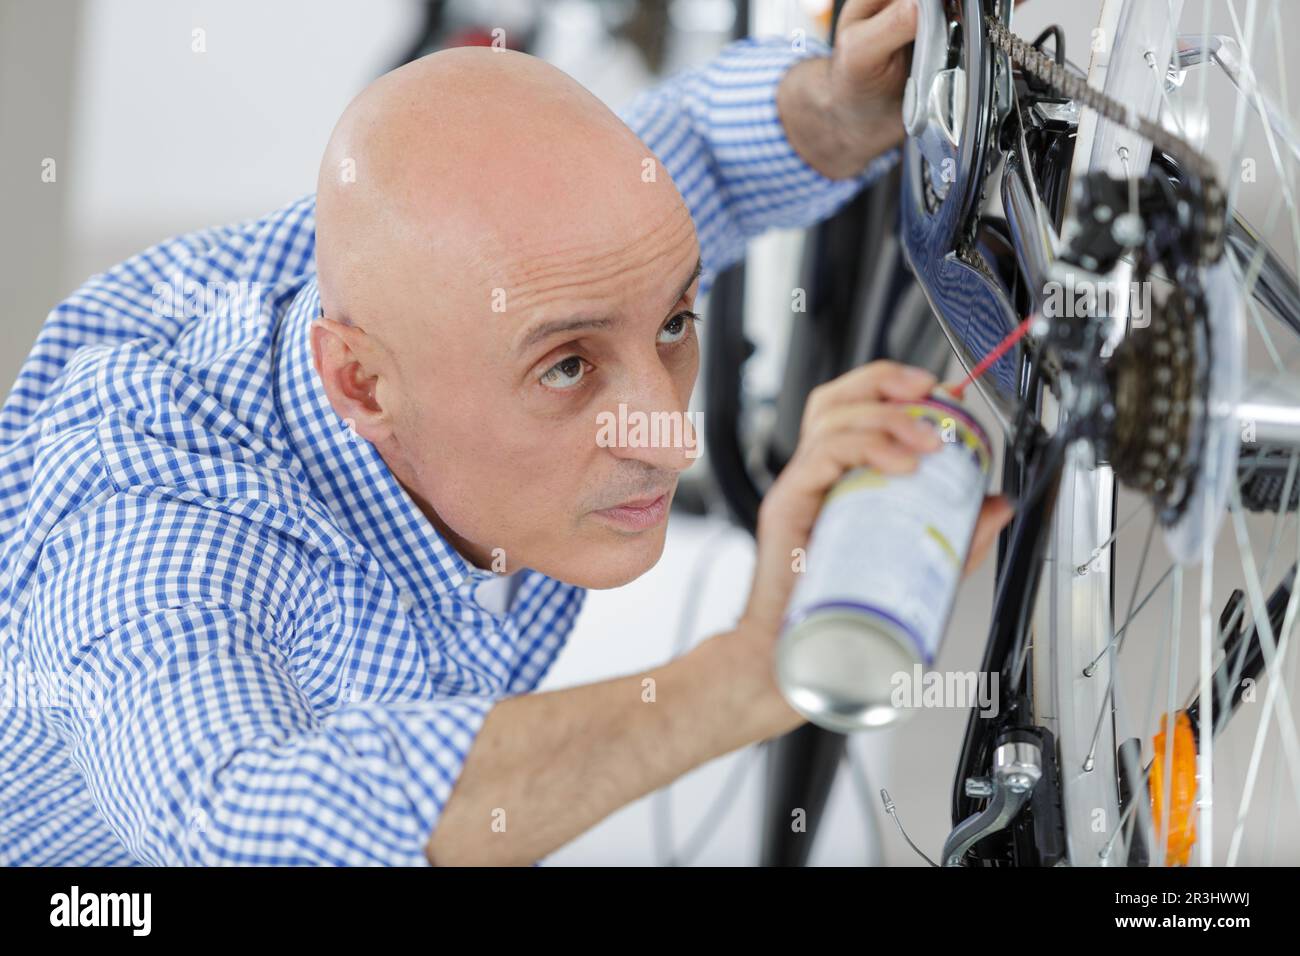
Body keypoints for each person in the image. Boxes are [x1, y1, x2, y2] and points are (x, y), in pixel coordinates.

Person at [0, 0, 1011, 866]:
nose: (665, 431)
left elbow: (696, 155)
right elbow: (246, 820)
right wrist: (750, 670)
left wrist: (840, 107)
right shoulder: (153, 541)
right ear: (358, 383)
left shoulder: (526, 270)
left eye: (674, 322)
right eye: (566, 367)